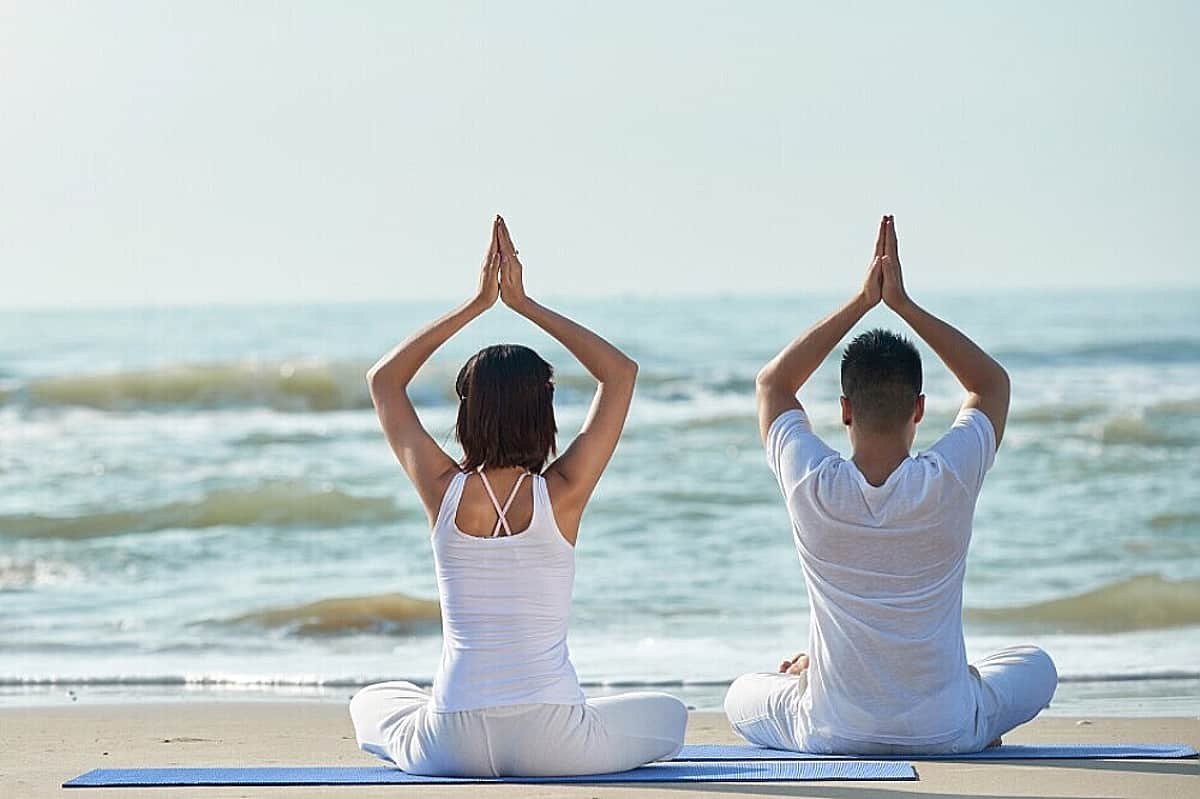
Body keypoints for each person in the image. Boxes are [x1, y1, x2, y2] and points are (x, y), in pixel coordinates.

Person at [349, 216, 687, 777]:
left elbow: (384, 381)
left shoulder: (443, 492)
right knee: (670, 715)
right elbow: (620, 374)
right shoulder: (565, 491)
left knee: (374, 700)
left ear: (466, 411)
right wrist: (525, 303)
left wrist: (479, 303)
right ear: (544, 412)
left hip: (450, 740)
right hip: (554, 740)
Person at [724, 215, 1056, 755]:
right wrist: (902, 304)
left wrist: (862, 300)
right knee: (1037, 667)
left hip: (830, 733)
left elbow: (773, 384)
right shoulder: (949, 476)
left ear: (845, 410)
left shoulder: (812, 481)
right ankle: (959, 686)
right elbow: (990, 383)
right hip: (947, 730)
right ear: (920, 409)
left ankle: (815, 674)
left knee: (740, 695)